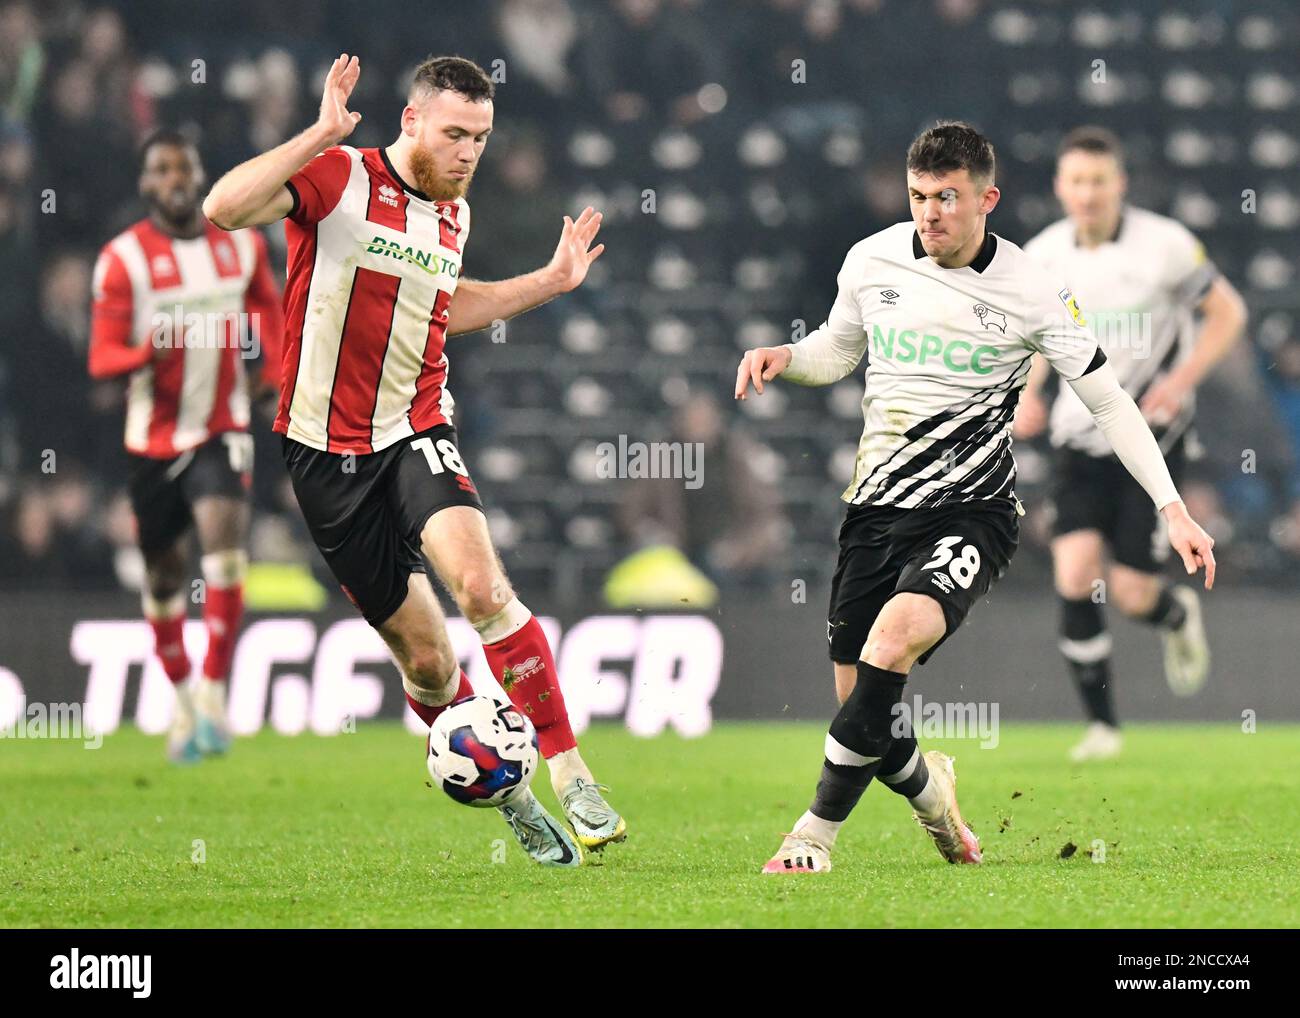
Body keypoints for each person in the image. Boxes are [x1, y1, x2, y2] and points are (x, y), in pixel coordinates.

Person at [734, 121, 1215, 874]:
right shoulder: (873, 259)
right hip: (874, 510)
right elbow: (836, 349)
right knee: (863, 704)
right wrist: (784, 356)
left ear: (987, 198)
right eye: (920, 196)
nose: (931, 213)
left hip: (972, 513)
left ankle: (812, 834)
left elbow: (1110, 402)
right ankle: (936, 802)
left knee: (890, 645)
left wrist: (1171, 506)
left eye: (948, 198)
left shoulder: (1033, 290)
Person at [202, 54, 622, 867]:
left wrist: (549, 282)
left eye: (482, 138)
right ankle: (513, 793)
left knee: (480, 585)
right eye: (456, 133)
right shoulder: (337, 179)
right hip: (323, 453)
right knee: (430, 664)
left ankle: (571, 772)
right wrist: (321, 131)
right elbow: (222, 208)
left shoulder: (452, 217)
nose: (470, 152)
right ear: (413, 122)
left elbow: (440, 305)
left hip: (414, 427)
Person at [1015, 126, 1247, 761]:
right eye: (1076, 181)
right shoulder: (1042, 255)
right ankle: (1103, 727)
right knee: (1072, 572)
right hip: (1076, 438)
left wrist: (1180, 381)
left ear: (1119, 184)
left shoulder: (1166, 246)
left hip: (1149, 436)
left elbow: (1228, 312)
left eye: (1099, 180)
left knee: (1132, 593)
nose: (1087, 193)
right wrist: (1030, 395)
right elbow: (1041, 337)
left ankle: (1173, 616)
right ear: (1060, 187)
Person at [89, 128, 284, 763]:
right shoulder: (123, 260)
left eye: (185, 168)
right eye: (163, 170)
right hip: (152, 441)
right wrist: (147, 350)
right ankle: (180, 699)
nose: (175, 179)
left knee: (225, 544)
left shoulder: (240, 243)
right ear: (146, 183)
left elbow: (271, 304)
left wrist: (273, 368)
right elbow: (102, 359)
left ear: (199, 177)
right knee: (166, 573)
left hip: (222, 426)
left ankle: (215, 689)